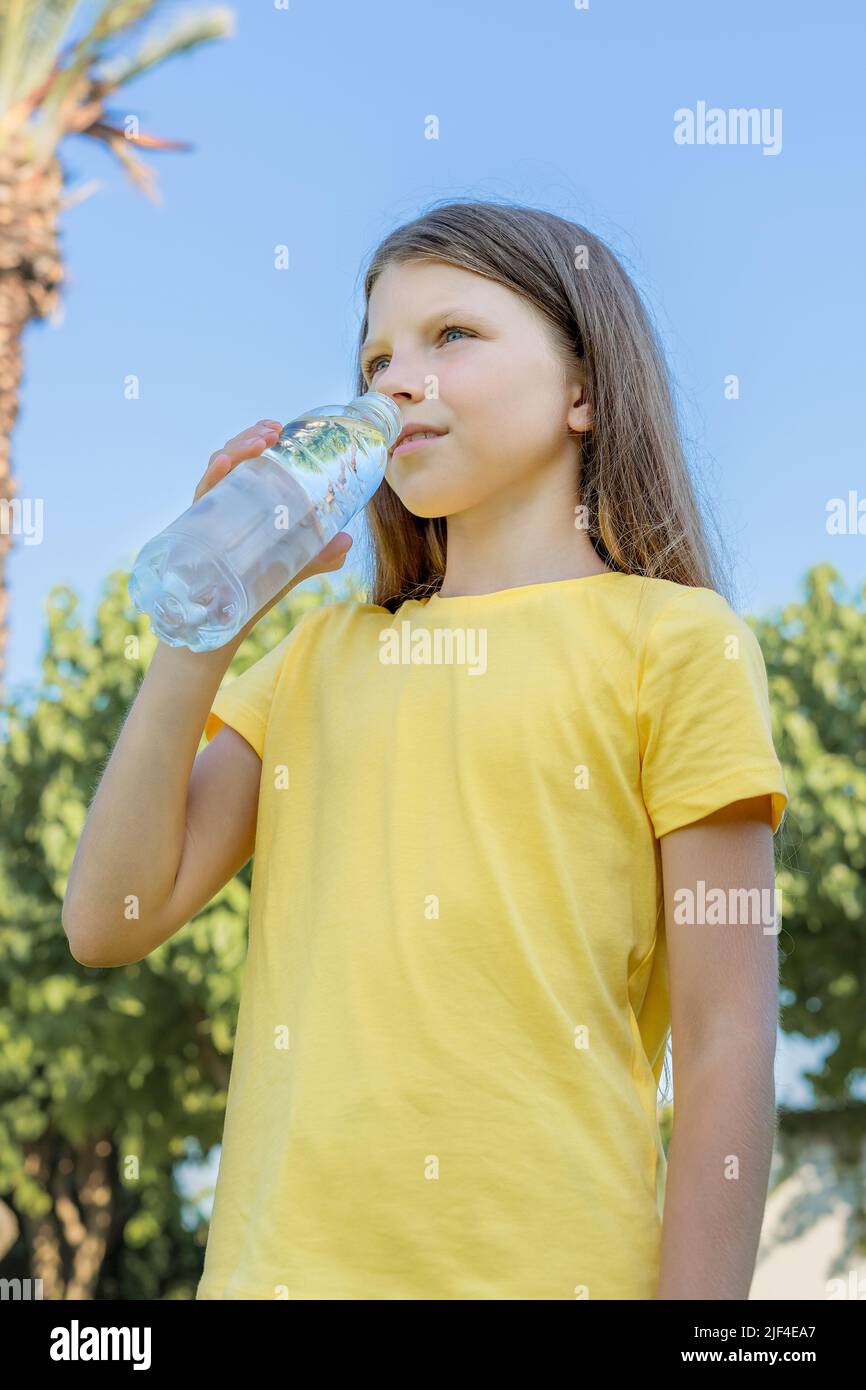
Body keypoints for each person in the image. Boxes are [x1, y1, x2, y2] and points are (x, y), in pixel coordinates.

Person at [63, 200, 789, 1300]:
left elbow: (728, 1040)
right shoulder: (316, 657)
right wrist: (199, 624)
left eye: (452, 335)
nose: (396, 378)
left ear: (584, 390)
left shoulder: (675, 643)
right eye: (375, 353)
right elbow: (108, 920)